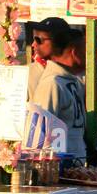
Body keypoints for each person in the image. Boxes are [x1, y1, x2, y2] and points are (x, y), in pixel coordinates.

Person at [34, 27, 87, 158]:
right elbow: (40, 134)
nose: (89, 57)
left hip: (76, 166)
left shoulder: (74, 81)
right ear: (75, 52)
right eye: (86, 51)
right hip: (58, 170)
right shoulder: (52, 83)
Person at [27, 17, 71, 103]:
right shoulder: (28, 73)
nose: (33, 44)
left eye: (38, 40)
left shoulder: (78, 73)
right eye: (33, 39)